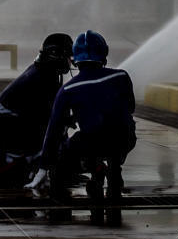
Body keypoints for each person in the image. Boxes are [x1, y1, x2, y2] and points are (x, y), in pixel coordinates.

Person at [34, 30, 136, 201]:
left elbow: (54, 130)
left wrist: (44, 167)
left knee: (67, 152)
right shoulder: (121, 76)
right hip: (123, 139)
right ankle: (114, 170)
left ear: (75, 59)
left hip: (92, 143)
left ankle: (62, 206)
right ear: (104, 53)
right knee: (118, 132)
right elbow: (130, 108)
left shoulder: (68, 90)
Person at [0, 33, 73, 162]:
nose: (71, 62)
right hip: (3, 129)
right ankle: (24, 162)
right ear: (56, 55)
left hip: (6, 124)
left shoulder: (46, 70)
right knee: (51, 137)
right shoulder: (43, 78)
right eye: (68, 57)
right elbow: (51, 120)